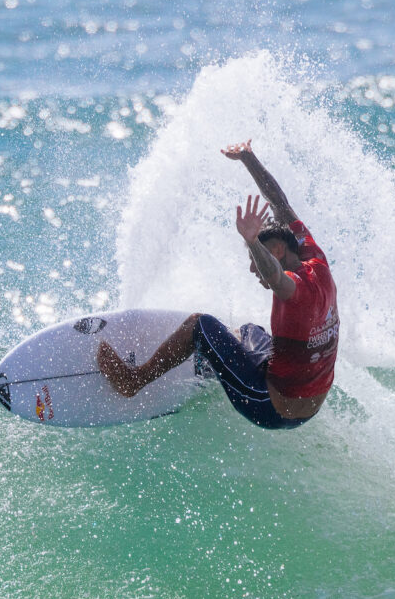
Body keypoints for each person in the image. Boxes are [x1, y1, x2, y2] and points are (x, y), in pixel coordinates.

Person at [96, 141, 339, 430]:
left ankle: (132, 381)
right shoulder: (314, 256)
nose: (252, 269)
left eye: (254, 260)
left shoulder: (295, 290)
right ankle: (206, 363)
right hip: (309, 404)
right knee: (250, 332)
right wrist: (249, 159)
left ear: (275, 252)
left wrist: (251, 241)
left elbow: (274, 276)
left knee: (201, 324)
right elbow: (281, 205)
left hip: (271, 406)